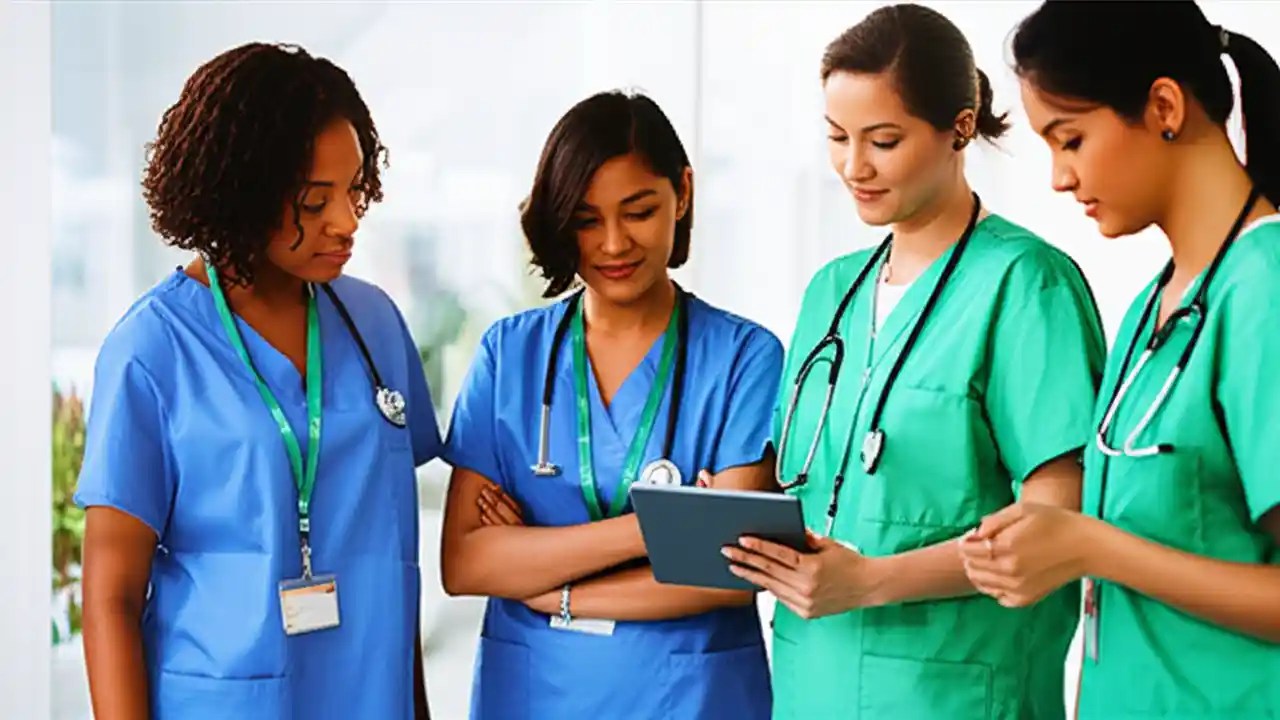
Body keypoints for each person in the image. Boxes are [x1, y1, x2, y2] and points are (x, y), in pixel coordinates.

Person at [718, 5, 1106, 718]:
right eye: (837, 137)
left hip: (957, 690)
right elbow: (808, 478)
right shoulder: (831, 292)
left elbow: (1059, 515)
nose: (853, 167)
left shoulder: (1026, 285)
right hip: (814, 683)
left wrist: (869, 580)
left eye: (883, 140)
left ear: (960, 126)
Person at [75, 43, 441, 720]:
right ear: (243, 190)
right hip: (222, 698)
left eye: (354, 190)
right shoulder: (153, 348)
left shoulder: (374, 323)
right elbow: (109, 598)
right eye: (314, 199)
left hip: (369, 695)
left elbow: (392, 557)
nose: (347, 221)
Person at [961, 2, 1280, 717]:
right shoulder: (1148, 311)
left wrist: (1092, 548)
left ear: (1164, 105)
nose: (1059, 178)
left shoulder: (1266, 289)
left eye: (1069, 139)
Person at [439, 90, 782, 720]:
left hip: (689, 697)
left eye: (639, 211)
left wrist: (549, 586)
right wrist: (661, 528)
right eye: (586, 219)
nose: (614, 244)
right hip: (536, 692)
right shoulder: (508, 354)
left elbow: (732, 571)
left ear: (683, 191)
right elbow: (465, 562)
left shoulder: (745, 357)